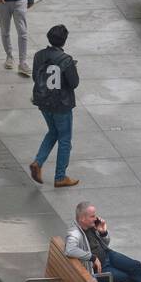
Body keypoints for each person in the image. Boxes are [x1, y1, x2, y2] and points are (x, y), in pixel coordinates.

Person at [29, 25, 80, 189]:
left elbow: (35, 77)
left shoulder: (39, 56)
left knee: (53, 132)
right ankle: (60, 177)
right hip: (62, 105)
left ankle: (38, 162)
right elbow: (74, 83)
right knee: (64, 139)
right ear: (64, 40)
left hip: (44, 102)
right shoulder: (66, 59)